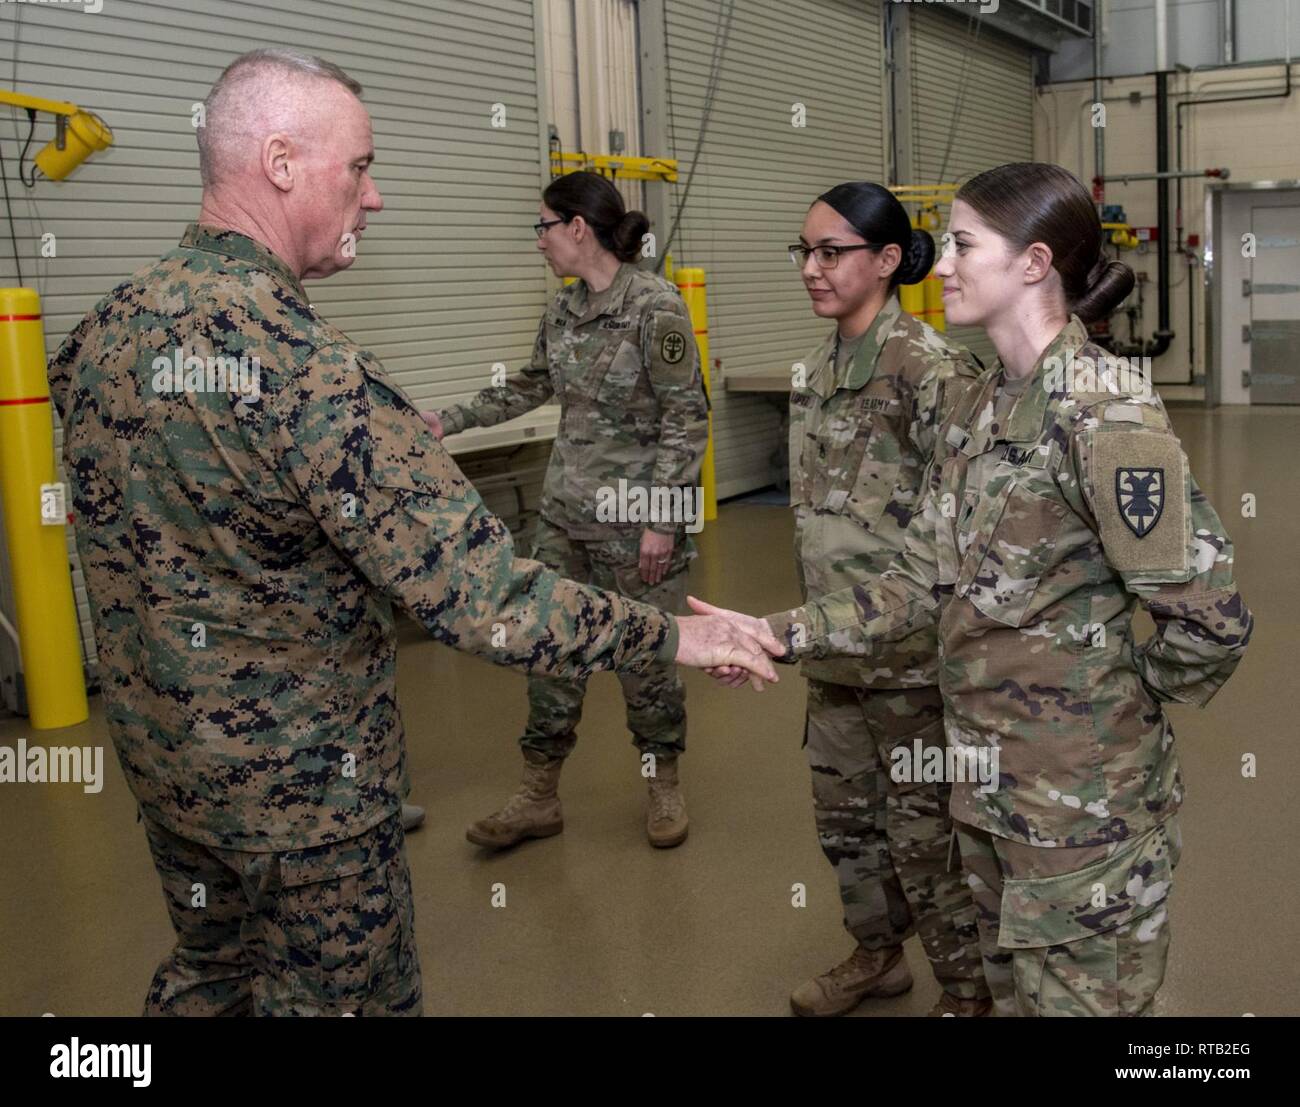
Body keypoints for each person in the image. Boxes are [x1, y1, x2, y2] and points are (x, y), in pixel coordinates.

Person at [48, 48, 779, 1017]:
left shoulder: (103, 331)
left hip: (170, 772)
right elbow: (482, 595)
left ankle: (660, 778)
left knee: (213, 975)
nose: (375, 195)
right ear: (279, 162)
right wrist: (679, 632)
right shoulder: (310, 371)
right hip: (306, 799)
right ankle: (540, 782)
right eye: (359, 167)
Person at [697, 162, 1253, 1017]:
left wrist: (1107, 711)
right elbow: (917, 577)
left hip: (1082, 818)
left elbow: (1210, 620)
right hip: (986, 793)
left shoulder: (1106, 416)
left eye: (961, 244)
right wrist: (778, 632)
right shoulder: (985, 406)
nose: (942, 263)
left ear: (1033, 263)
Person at [425, 171, 708, 850]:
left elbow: (685, 415)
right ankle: (538, 795)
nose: (539, 242)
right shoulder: (561, 310)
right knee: (548, 654)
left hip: (637, 521)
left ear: (578, 226)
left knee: (646, 663)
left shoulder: (655, 306)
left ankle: (662, 783)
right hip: (564, 519)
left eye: (544, 226)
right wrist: (449, 420)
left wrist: (663, 520)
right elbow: (529, 385)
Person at [784, 182, 989, 1017]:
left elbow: (964, 532)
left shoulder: (931, 372)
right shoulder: (820, 368)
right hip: (834, 653)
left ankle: (969, 992)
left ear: (889, 259)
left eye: (830, 251)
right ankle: (877, 955)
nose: (810, 268)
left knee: (926, 840)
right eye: (802, 250)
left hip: (910, 664)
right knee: (848, 828)